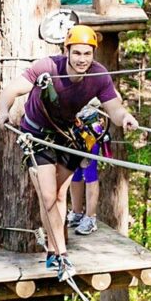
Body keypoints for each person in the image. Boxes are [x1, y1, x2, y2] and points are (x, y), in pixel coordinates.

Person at [0, 25, 138, 275]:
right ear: (67, 51)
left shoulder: (98, 75)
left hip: (66, 136)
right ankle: (60, 254)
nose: (82, 59)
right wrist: (4, 111)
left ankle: (54, 251)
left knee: (60, 195)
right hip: (37, 136)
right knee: (48, 195)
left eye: (87, 53)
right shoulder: (48, 68)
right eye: (77, 53)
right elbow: (12, 89)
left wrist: (125, 117)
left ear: (93, 54)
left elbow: (114, 108)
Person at [67, 101, 108, 236]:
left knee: (89, 170)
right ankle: (77, 213)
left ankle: (90, 217)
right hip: (72, 129)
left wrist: (96, 101)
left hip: (90, 130)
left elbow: (115, 98)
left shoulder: (96, 86)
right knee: (75, 171)